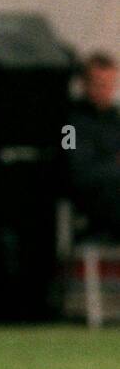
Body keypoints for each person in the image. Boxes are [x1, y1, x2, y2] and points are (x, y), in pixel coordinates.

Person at [65, 51, 120, 240]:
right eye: (99, 84)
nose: (105, 90)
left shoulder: (116, 118)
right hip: (93, 199)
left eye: (109, 84)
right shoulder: (69, 124)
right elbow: (74, 170)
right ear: (84, 84)